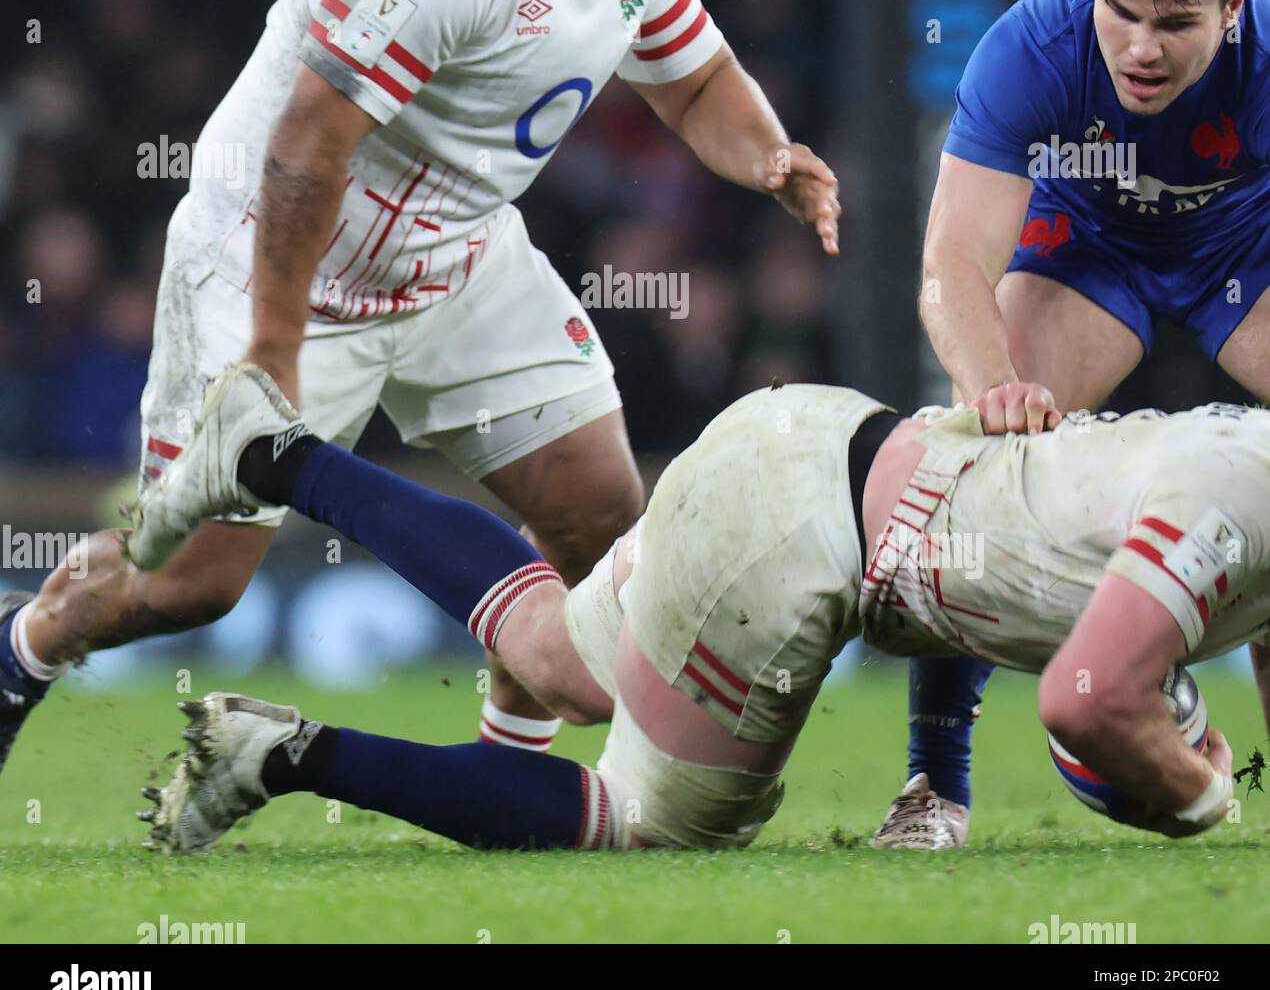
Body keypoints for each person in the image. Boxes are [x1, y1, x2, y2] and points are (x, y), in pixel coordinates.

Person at [0, 0, 840, 775]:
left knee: (600, 522)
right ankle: (23, 645)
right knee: (187, 584)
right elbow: (307, 146)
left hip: (458, 255)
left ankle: (508, 768)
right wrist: (270, 346)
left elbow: (695, 77)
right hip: (285, 257)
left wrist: (769, 155)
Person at [131, 362, 1258, 854]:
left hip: (808, 438)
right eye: (1194, 732)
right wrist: (1207, 801)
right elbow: (1082, 697)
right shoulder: (1230, 506)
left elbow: (997, 584)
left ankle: (274, 452)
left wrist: (937, 782)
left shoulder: (1233, 460)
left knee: (556, 660)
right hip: (795, 541)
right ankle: (284, 758)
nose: (1203, 742)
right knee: (647, 827)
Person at [876, 0, 1270, 849]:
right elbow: (949, 264)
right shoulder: (1029, 47)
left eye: (1174, 24)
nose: (1140, 49)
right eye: (1121, 13)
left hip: (1245, 251)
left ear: (1232, 6)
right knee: (968, 460)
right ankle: (934, 785)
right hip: (1091, 248)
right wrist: (993, 385)